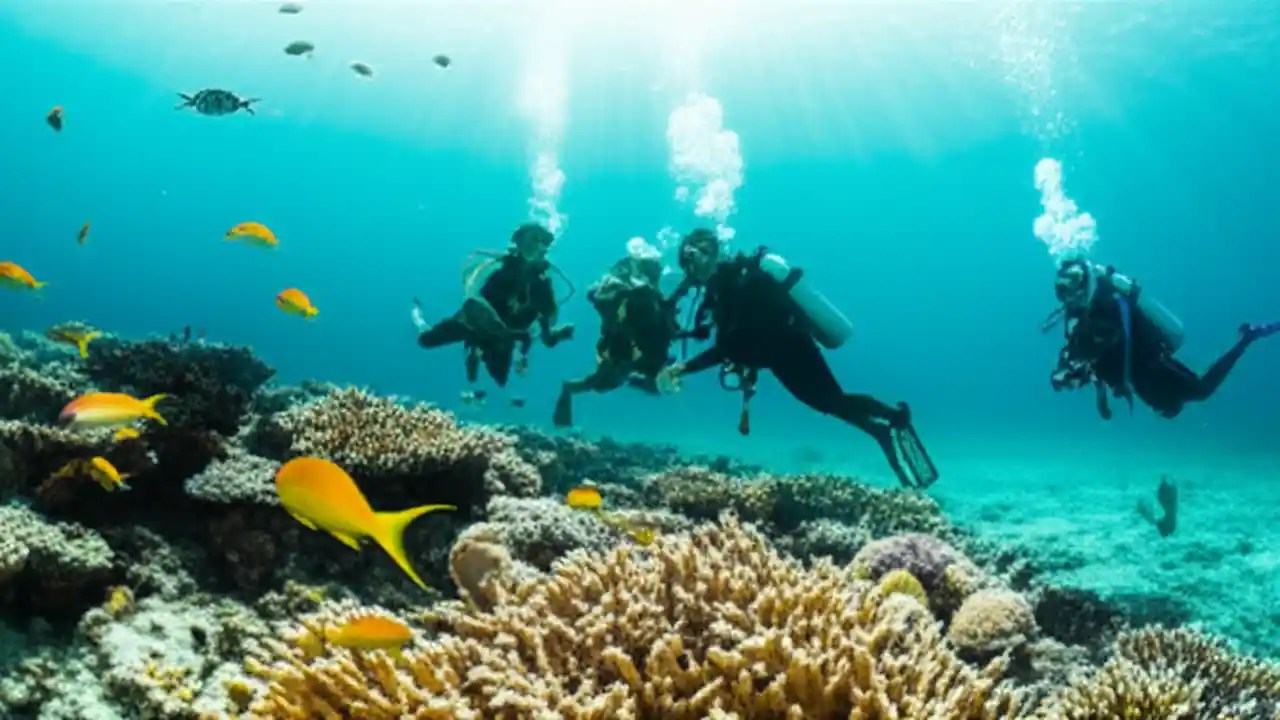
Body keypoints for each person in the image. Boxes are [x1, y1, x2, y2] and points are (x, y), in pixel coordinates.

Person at [657, 228, 938, 489]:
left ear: (706, 257)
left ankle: (893, 418)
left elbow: (728, 346)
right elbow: (722, 338)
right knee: (829, 401)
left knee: (829, 401)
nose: (690, 271)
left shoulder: (736, 285)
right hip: (785, 351)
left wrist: (683, 368)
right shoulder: (725, 286)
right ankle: (879, 429)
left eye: (691, 262)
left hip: (789, 352)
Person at [1047, 258, 1278, 419]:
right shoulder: (1085, 315)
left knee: (1202, 390)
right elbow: (1091, 359)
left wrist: (1075, 373)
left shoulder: (1106, 307)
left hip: (1152, 364)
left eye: (1069, 290)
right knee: (1187, 400)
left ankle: (1247, 338)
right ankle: (1246, 339)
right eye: (1061, 292)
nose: (1065, 298)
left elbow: (1102, 348)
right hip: (1143, 371)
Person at [412, 223, 574, 387]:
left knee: (499, 379)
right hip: (476, 327)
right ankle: (418, 316)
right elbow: (472, 300)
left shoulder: (542, 285)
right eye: (534, 240)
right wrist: (544, 339)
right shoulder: (501, 269)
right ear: (519, 243)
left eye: (544, 242)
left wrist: (551, 336)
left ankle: (476, 350)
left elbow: (545, 325)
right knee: (426, 340)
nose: (539, 247)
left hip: (504, 336)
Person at [553, 244, 679, 427]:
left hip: (646, 352)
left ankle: (637, 379)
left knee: (659, 386)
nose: (654, 274)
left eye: (656, 270)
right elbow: (598, 299)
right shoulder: (624, 290)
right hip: (620, 351)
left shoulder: (655, 296)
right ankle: (568, 390)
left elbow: (667, 327)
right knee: (604, 383)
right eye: (650, 269)